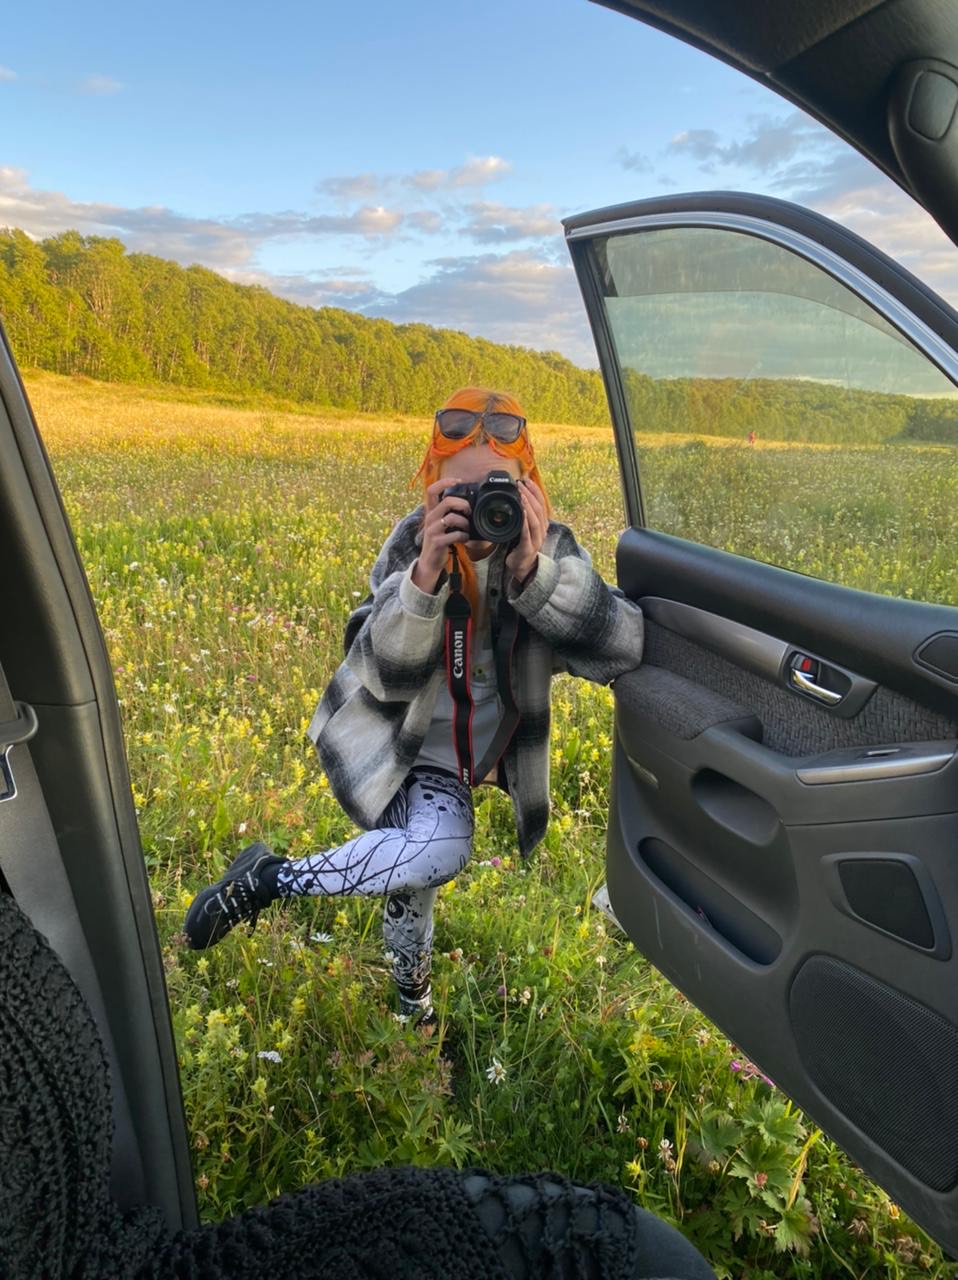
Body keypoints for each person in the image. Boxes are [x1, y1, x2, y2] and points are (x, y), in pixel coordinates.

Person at [182, 387, 645, 1026]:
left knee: (414, 875)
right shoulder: (413, 546)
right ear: (431, 487)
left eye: (499, 490)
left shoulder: (549, 553)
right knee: (441, 847)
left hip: (464, 759)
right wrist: (425, 580)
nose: (485, 511)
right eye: (462, 493)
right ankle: (269, 881)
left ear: (530, 487)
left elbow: (622, 645)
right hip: (407, 748)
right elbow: (386, 676)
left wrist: (536, 575)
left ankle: (412, 1007)